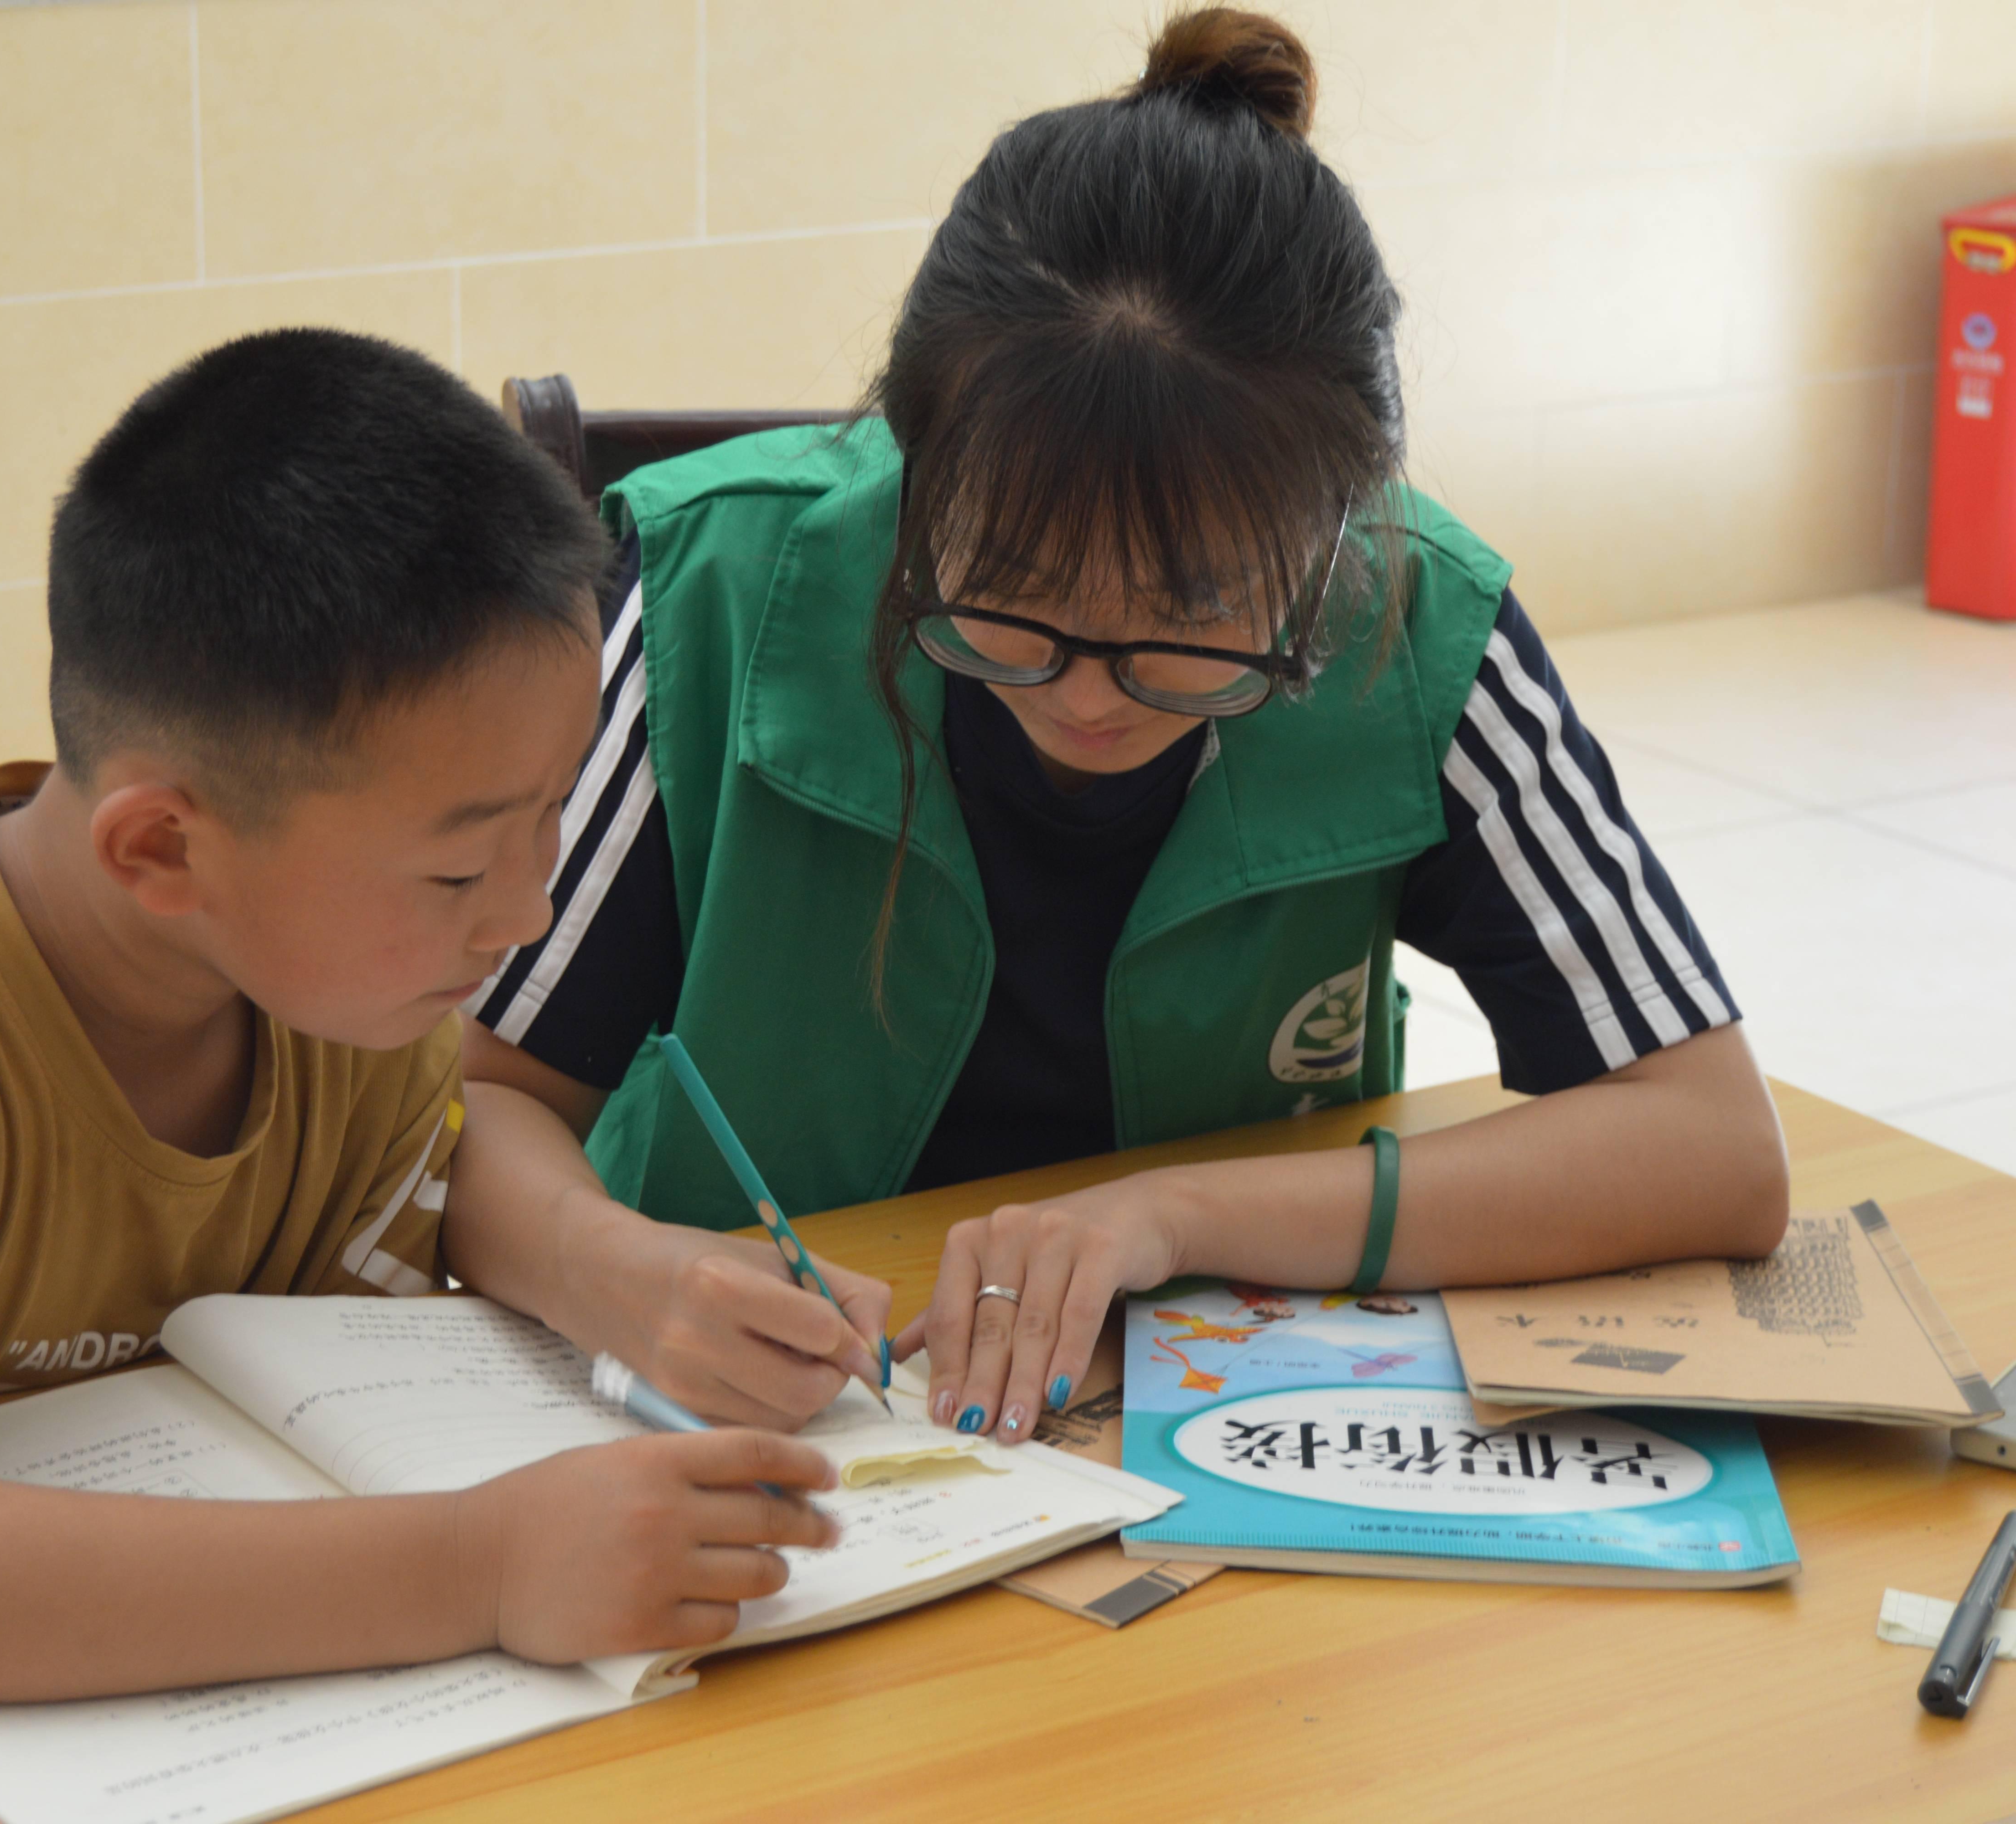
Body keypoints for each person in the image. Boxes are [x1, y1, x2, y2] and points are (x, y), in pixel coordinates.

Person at [461, 11, 1788, 1455]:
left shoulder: (1415, 632)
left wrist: (1176, 1215)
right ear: (914, 461)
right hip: (756, 1429)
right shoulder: (716, 596)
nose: (1089, 695)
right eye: (1007, 592)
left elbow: (1710, 1143)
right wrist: (614, 1274)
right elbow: (468, 1104)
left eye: (1195, 613)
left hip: (1191, 1423)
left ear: (1336, 531)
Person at [0, 331, 873, 1706]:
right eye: (463, 868)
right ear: (163, 849)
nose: (528, 912)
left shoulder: (337, 986)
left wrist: (618, 1273)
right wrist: (477, 1566)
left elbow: (440, 1178)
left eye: (552, 817)